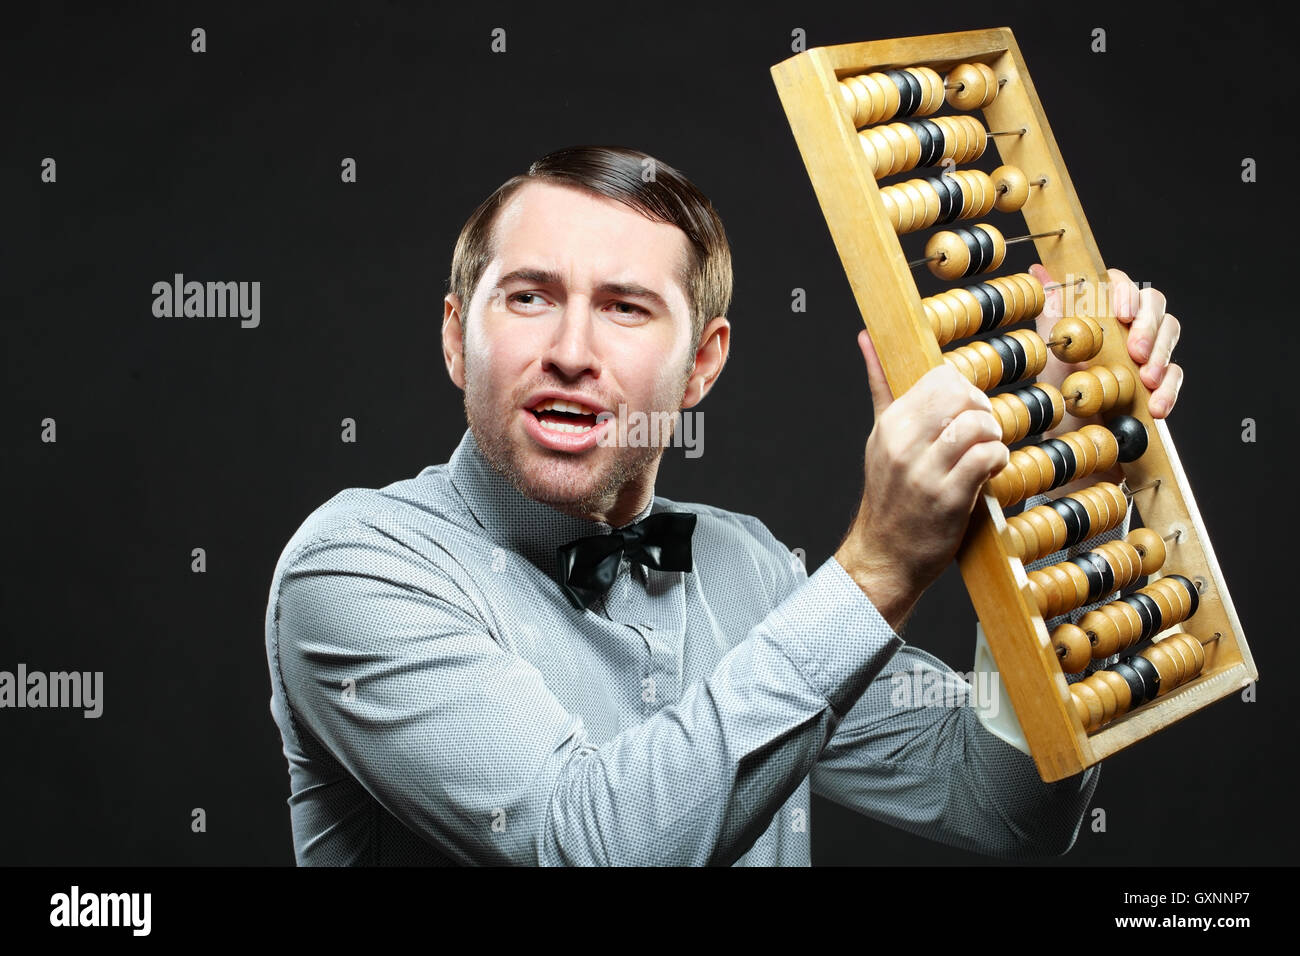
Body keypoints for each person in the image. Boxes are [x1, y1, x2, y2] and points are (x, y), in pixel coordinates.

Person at [263, 145, 1184, 866]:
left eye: (626, 308)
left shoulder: (748, 568)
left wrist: (1054, 460)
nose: (571, 350)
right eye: (529, 297)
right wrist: (878, 571)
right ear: (459, 340)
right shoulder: (354, 569)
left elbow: (1004, 805)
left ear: (702, 363)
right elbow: (588, 846)